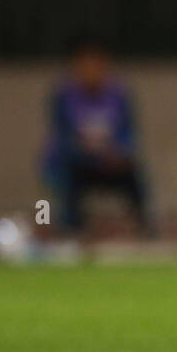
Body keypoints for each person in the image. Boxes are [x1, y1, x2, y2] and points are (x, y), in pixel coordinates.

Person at [41, 37, 155, 237]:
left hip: (110, 163)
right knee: (67, 176)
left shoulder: (119, 94)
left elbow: (128, 133)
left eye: (97, 65)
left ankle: (146, 226)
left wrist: (120, 152)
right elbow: (61, 137)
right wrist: (89, 154)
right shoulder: (64, 95)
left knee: (134, 172)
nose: (91, 70)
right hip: (77, 163)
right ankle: (70, 228)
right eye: (86, 65)